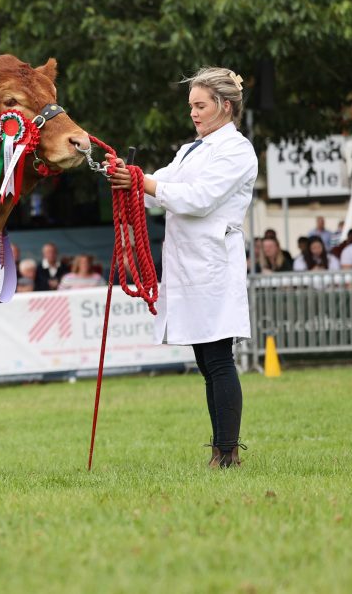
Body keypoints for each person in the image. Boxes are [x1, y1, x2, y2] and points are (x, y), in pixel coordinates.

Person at [105, 66, 256, 469]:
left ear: (225, 106)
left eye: (200, 105)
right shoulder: (191, 149)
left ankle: (227, 452)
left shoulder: (237, 150)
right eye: (191, 105)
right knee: (206, 360)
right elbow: (161, 189)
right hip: (187, 263)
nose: (193, 112)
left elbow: (198, 199)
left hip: (213, 264)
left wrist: (143, 182)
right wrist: (128, 178)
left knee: (219, 357)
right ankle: (221, 448)